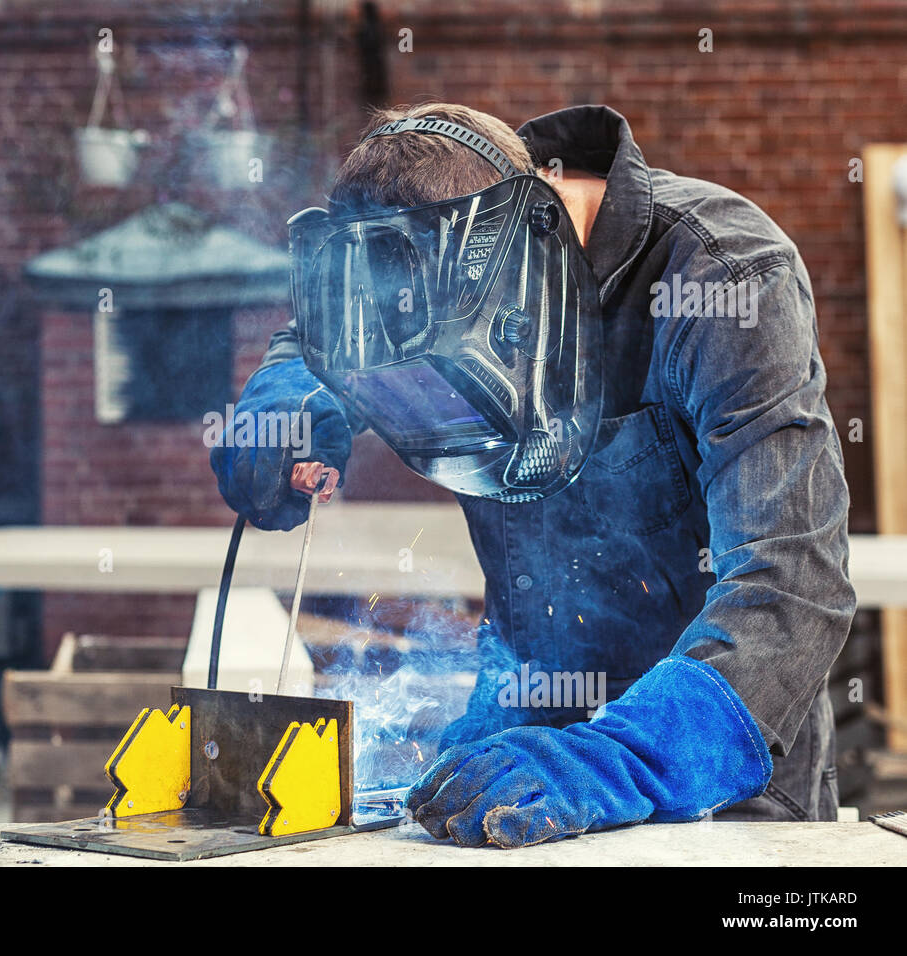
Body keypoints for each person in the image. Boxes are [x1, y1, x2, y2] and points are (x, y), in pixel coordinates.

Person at [211, 103, 854, 847]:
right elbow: (326, 328)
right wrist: (297, 388)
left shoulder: (723, 278)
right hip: (514, 763)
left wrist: (615, 758)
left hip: (718, 790)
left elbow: (794, 584)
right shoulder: (441, 242)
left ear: (528, 268)